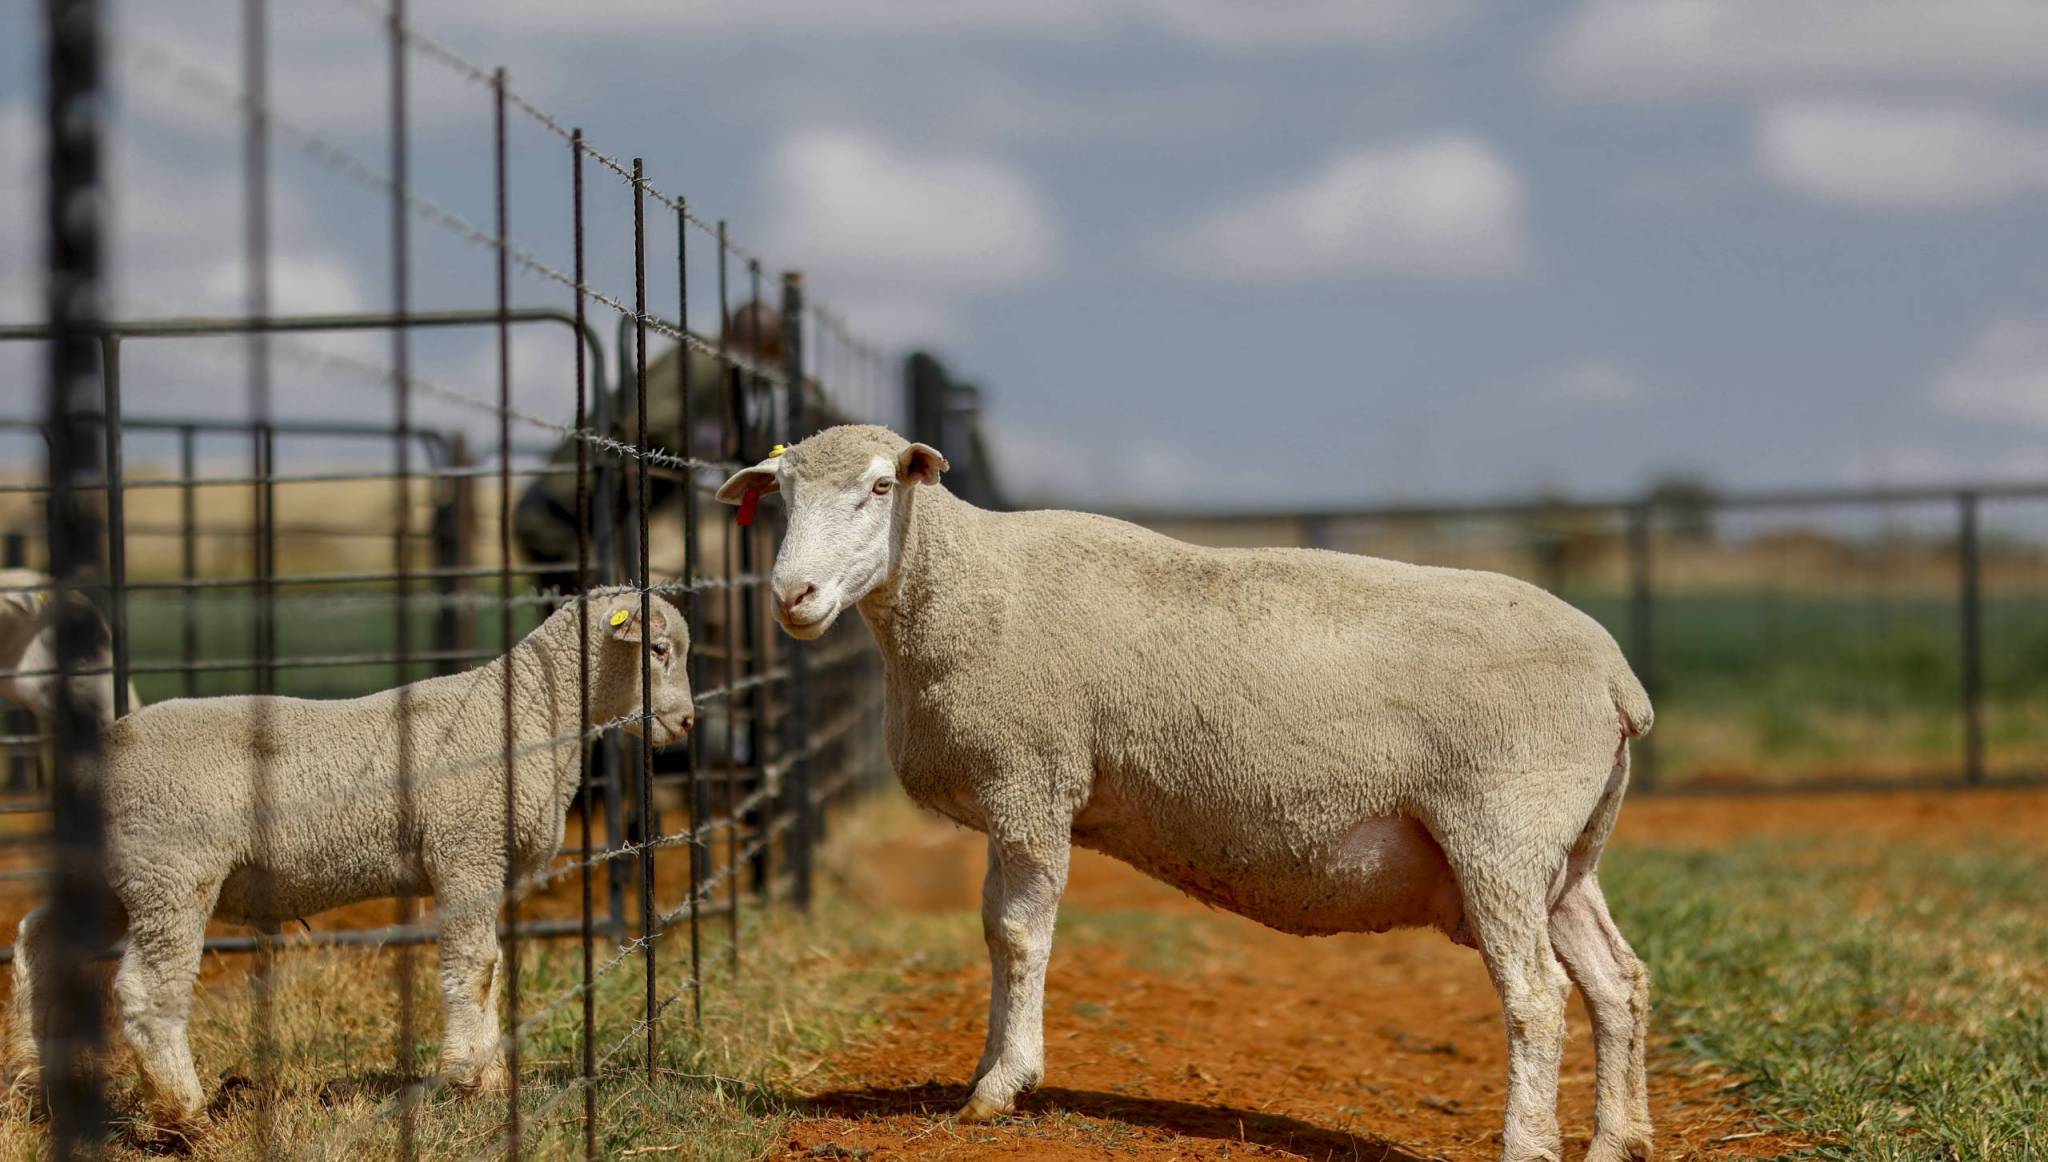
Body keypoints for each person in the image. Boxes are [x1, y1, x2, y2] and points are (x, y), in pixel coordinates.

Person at [515, 302, 784, 594]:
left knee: (591, 615)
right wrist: (712, 445)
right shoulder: (705, 363)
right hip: (559, 512)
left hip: (584, 514)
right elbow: (651, 421)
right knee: (595, 618)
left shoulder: (719, 373)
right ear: (764, 349)